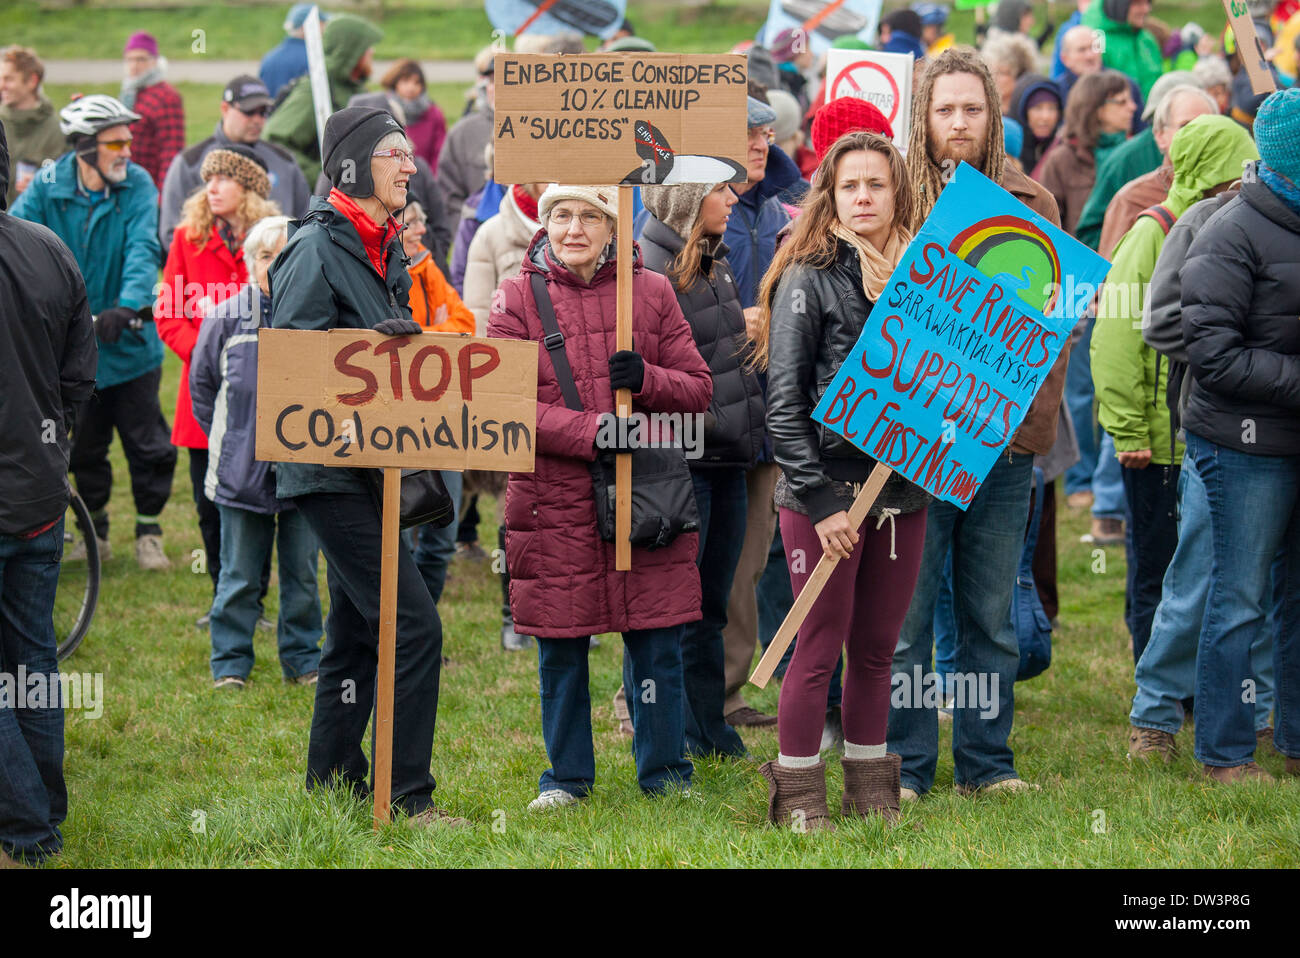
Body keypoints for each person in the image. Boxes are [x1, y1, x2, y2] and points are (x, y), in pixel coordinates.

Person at [269, 106, 466, 826]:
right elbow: (288, 367)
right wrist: (359, 342)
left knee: (354, 632)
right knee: (415, 629)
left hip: (377, 465)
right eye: (394, 154)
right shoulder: (313, 250)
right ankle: (408, 798)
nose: (411, 167)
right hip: (328, 475)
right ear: (352, 165)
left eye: (410, 154)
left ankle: (331, 782)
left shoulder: (384, 247)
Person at [487, 184, 712, 810]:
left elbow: (698, 390)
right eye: (561, 215)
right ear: (545, 222)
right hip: (551, 502)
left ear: (613, 225)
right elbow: (503, 405)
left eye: (590, 215)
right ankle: (566, 779)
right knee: (561, 646)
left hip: (644, 498)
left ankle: (665, 771)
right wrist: (589, 432)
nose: (575, 228)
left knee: (657, 642)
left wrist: (647, 379)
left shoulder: (652, 292)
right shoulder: (514, 299)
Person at [890, 47, 1067, 800]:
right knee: (907, 621)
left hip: (1002, 446)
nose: (959, 123)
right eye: (945, 110)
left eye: (973, 108)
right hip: (912, 444)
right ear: (923, 119)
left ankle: (987, 764)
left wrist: (1026, 430)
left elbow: (1052, 331)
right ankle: (905, 767)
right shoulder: (890, 200)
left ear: (993, 115)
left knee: (990, 616)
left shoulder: (1033, 203)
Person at [752, 131, 930, 829]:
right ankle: (797, 798)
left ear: (897, 194)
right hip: (819, 493)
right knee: (819, 644)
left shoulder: (928, 281)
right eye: (850, 185)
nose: (863, 197)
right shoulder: (809, 275)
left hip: (900, 492)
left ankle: (871, 792)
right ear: (831, 195)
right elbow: (784, 406)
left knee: (879, 649)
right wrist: (824, 503)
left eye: (876, 185)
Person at [1092, 114, 1259, 669]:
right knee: (1156, 570)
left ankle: (1189, 685)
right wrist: (1128, 428)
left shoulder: (1230, 228)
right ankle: (1152, 683)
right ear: (1212, 172)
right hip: (1154, 442)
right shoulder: (1155, 230)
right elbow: (1116, 335)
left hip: (1195, 437)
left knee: (1199, 569)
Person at [1128, 175, 1276, 762]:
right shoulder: (1204, 222)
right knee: (1198, 578)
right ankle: (1156, 715)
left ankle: (1261, 714)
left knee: (1266, 587)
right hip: (1222, 432)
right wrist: (1242, 352)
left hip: (1278, 433)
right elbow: (1160, 322)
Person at [1181, 89, 1300, 784]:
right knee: (1239, 597)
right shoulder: (1230, 232)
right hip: (1244, 446)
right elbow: (1212, 354)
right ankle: (1224, 752)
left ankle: (1295, 739)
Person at [13, 94, 175, 571]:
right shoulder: (47, 185)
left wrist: (128, 304)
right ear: (85, 148)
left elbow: (144, 244)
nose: (128, 149)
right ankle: (95, 531)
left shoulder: (139, 183)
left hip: (130, 341)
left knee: (149, 446)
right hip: (73, 347)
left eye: (128, 139)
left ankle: (150, 532)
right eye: (116, 142)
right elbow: (19, 242)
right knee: (83, 446)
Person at [0, 121, 97, 869]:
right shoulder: (48, 249)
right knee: (31, 658)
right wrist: (53, 446)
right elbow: (76, 378)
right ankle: (44, 814)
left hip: (31, 494)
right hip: (40, 494)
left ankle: (30, 827)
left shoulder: (44, 248)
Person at [641, 180, 766, 761]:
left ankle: (708, 726)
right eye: (719, 188)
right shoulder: (652, 271)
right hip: (684, 462)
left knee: (711, 601)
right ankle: (680, 734)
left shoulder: (712, 259)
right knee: (679, 604)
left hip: (726, 457)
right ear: (687, 198)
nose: (734, 199)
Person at [189, 214, 322, 690]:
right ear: (249, 264)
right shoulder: (225, 318)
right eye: (265, 256)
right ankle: (230, 664)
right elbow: (202, 392)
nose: (274, 264)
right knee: (240, 575)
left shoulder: (318, 315)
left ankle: (304, 658)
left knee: (303, 576)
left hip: (305, 471)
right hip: (240, 473)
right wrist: (234, 443)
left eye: (285, 255)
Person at [156, 145, 280, 619]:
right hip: (205, 395)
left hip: (261, 397)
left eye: (225, 178)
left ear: (248, 188)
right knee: (210, 502)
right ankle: (220, 596)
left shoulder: (273, 241)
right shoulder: (187, 239)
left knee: (261, 499)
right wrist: (212, 353)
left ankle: (257, 599)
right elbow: (168, 313)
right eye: (208, 178)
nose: (212, 187)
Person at [159, 75, 311, 244]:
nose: (257, 120)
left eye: (263, 112)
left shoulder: (285, 161)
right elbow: (171, 233)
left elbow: (305, 223)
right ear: (225, 109)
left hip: (275, 266)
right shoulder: (190, 162)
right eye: (249, 111)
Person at [1073, 70, 1199, 251]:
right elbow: (1089, 233)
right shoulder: (1124, 160)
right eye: (1185, 124)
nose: (1132, 107)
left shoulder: (1219, 155)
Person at [1095, 85, 1216, 258]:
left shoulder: (1231, 190)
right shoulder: (1131, 199)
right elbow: (1111, 277)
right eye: (1185, 126)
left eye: (1207, 126)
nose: (1198, 135)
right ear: (1160, 136)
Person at [264, 15, 382, 186]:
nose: (372, 52)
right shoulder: (316, 90)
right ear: (350, 51)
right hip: (324, 201)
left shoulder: (355, 89)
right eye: (366, 47)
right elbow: (273, 142)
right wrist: (323, 177)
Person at [1033, 71, 1135, 236]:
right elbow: (1047, 225)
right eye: (1122, 102)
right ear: (1096, 109)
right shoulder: (1062, 160)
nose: (1132, 107)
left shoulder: (1132, 154)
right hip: (1082, 257)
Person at [436, 50, 496, 245]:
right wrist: (465, 236)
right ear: (486, 86)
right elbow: (448, 193)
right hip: (478, 242)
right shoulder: (462, 133)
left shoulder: (538, 129)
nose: (501, 88)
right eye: (494, 82)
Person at [0, 46, 64, 209]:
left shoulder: (56, 132)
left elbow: (65, 184)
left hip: (34, 227)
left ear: (32, 81)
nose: (2, 86)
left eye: (9, 79)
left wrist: (40, 184)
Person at [120, 32, 184, 191]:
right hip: (127, 181)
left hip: (151, 185)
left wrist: (163, 195)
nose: (134, 65)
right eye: (130, 59)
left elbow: (171, 150)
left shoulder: (166, 96)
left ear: (155, 61)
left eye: (141, 59)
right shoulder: (129, 92)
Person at [1082, 0, 1163, 99]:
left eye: (1147, 3)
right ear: (1118, 6)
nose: (1146, 9)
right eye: (1138, 4)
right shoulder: (1096, 41)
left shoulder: (1146, 39)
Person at [379, 59, 446, 176]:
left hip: (424, 178)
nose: (411, 87)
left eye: (417, 82)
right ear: (395, 83)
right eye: (405, 81)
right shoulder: (384, 111)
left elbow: (439, 153)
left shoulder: (434, 113)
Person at [260, 3, 329, 100]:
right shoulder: (314, 58)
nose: (325, 29)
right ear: (307, 27)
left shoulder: (269, 57)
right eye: (322, 24)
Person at [1011, 72, 1064, 173]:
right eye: (1037, 108)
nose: (1045, 117)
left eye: (1052, 108)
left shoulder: (1064, 150)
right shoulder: (1008, 150)